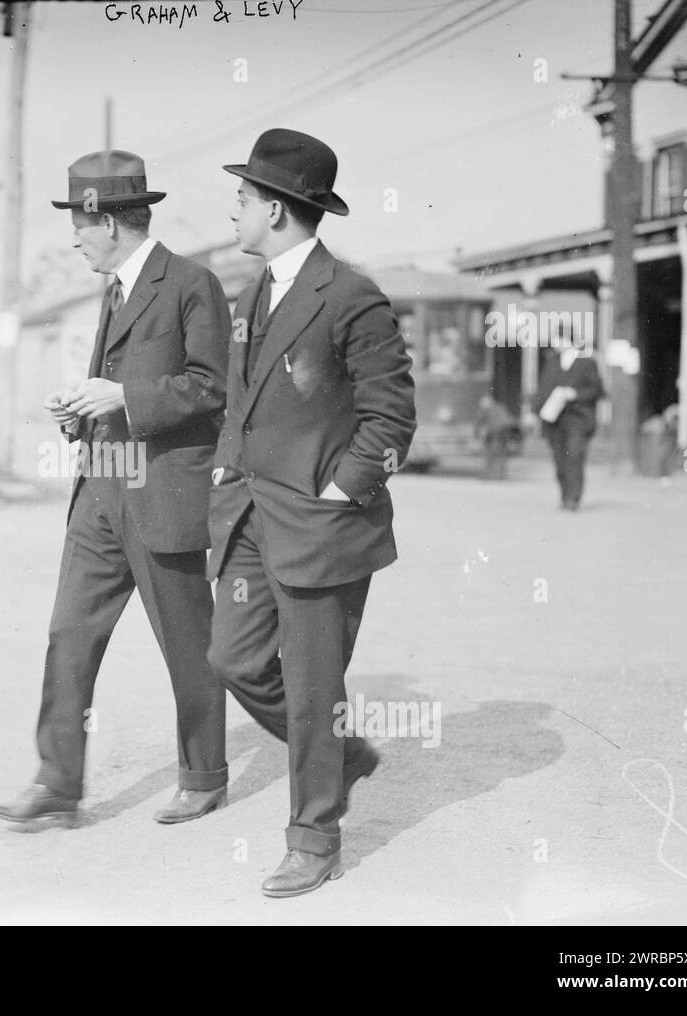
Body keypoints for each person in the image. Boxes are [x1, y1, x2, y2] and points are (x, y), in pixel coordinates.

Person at [0, 150, 231, 828]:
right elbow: (117, 389)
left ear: (109, 220)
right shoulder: (116, 287)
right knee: (69, 634)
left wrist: (123, 394)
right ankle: (57, 785)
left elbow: (215, 388)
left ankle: (205, 775)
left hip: (160, 494)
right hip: (100, 490)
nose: (73, 237)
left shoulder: (192, 284)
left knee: (186, 641)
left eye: (78, 222)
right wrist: (81, 409)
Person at [206, 129, 417, 897]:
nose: (233, 211)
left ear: (277, 209)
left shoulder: (350, 295)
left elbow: (391, 418)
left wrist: (341, 489)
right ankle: (347, 756)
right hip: (250, 515)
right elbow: (243, 397)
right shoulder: (252, 290)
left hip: (323, 526)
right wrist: (230, 461)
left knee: (314, 686)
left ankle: (315, 836)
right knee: (231, 658)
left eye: (242, 200)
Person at [531, 335, 604, 510]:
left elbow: (597, 390)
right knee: (559, 459)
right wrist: (534, 412)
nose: (556, 344)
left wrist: (575, 394)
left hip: (578, 417)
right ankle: (565, 495)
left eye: (560, 339)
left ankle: (574, 497)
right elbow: (543, 389)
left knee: (574, 455)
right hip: (554, 419)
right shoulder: (552, 362)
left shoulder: (586, 362)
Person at [475, 394, 517, 480]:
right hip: (505, 432)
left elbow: (479, 422)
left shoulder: (486, 409)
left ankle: (490, 474)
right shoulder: (500, 407)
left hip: (496, 432)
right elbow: (510, 420)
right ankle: (501, 474)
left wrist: (476, 434)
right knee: (501, 453)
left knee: (490, 453)